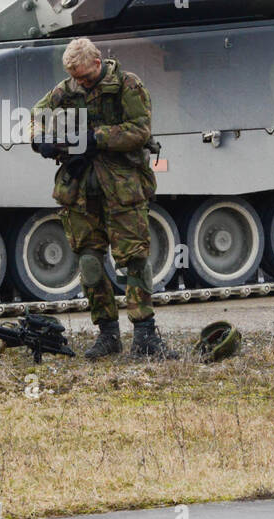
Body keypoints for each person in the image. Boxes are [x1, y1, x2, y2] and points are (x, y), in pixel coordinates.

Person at [30, 38, 174, 359]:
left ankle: (145, 336)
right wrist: (41, 138)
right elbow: (38, 112)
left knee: (133, 260)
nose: (79, 83)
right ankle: (107, 334)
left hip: (123, 188)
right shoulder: (67, 90)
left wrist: (97, 138)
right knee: (90, 263)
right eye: (74, 77)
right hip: (81, 190)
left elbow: (140, 130)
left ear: (97, 63)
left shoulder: (128, 85)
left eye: (84, 76)